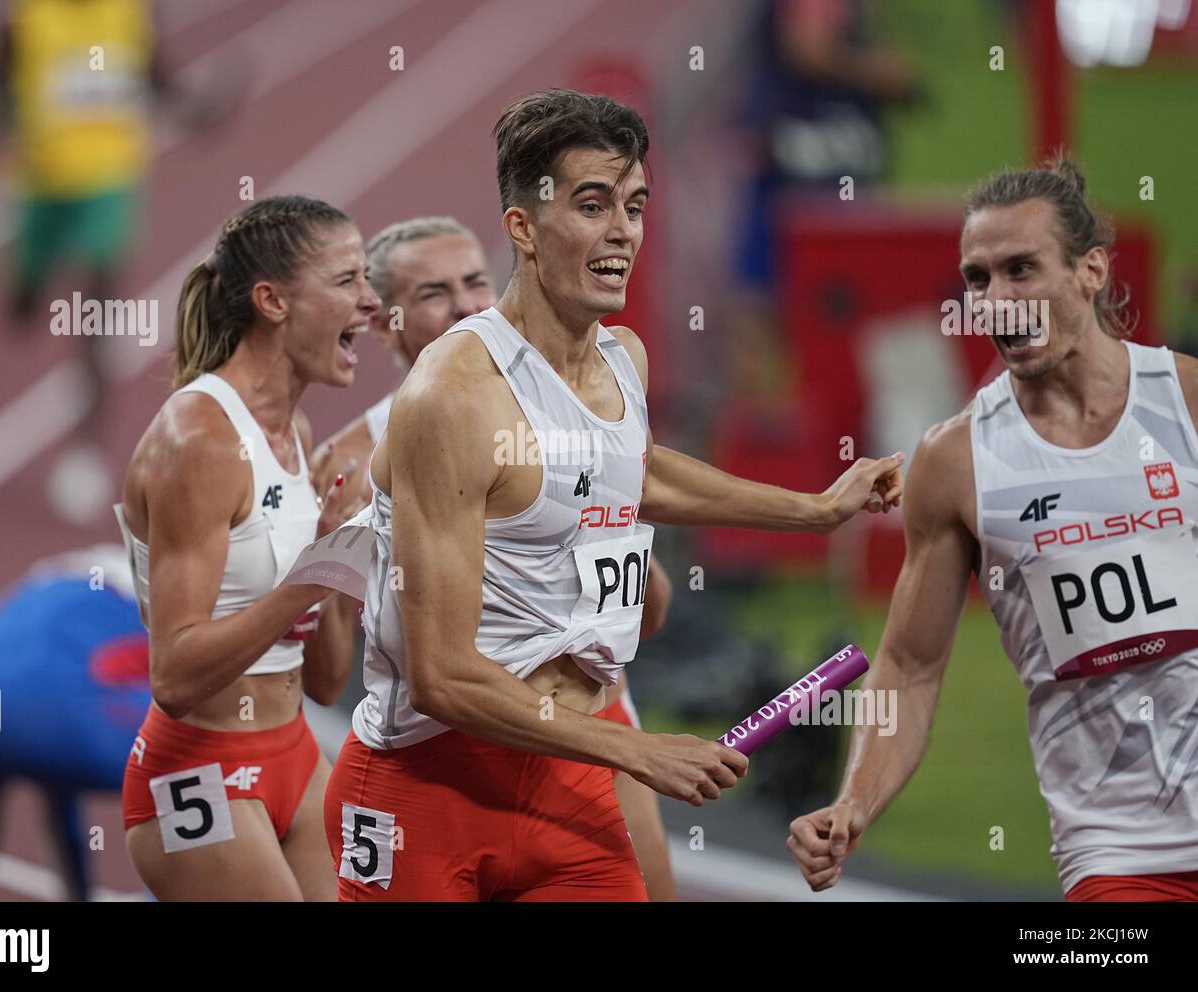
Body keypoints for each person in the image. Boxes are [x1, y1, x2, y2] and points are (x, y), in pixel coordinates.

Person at [321, 89, 903, 902]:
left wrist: (811, 510)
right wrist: (640, 752)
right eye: (592, 206)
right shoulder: (451, 396)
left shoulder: (620, 357)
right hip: (429, 789)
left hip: (570, 774)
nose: (623, 230)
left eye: (633, 206)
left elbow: (641, 468)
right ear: (522, 228)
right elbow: (444, 678)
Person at [787, 157, 1198, 902]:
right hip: (1121, 852)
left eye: (1020, 270)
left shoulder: (1187, 402)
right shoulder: (957, 461)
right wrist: (854, 801)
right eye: (978, 280)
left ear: (1091, 270)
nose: (998, 301)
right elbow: (908, 667)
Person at [320, 213, 678, 898]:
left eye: (475, 282)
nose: (465, 305)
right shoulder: (347, 464)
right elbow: (329, 674)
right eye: (433, 293)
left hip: (587, 731)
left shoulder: (570, 411)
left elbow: (650, 611)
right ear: (385, 323)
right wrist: (333, 573)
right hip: (439, 755)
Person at [116, 195, 377, 901]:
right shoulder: (199, 438)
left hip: (291, 748)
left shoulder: (292, 437)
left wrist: (337, 573)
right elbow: (172, 673)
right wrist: (308, 576)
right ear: (273, 301)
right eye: (348, 280)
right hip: (196, 773)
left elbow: (324, 683)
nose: (372, 302)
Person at [0, 0, 238, 523]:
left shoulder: (131, 14)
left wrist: (203, 110)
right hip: (39, 185)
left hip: (107, 184)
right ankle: (26, 284)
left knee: (94, 317)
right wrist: (4, 124)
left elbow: (157, 85)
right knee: (22, 305)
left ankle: (85, 451)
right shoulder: (25, 19)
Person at [0, 545, 150, 901]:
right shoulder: (179, 596)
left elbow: (37, 696)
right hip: (61, 720)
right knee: (212, 771)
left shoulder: (54, 572)